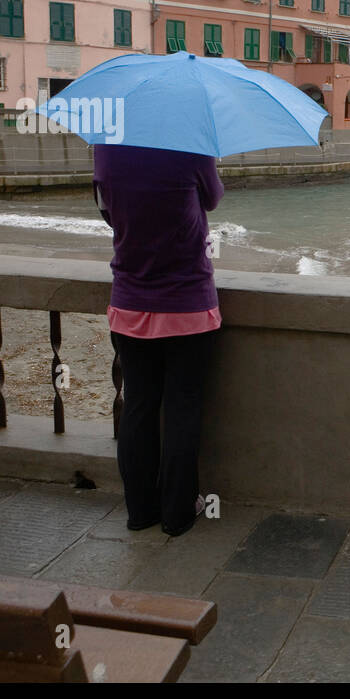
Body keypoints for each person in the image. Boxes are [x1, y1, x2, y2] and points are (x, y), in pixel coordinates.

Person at [93, 145, 223, 536]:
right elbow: (213, 198)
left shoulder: (106, 148)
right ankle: (179, 512)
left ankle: (140, 511)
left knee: (138, 405)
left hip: (130, 302)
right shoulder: (191, 145)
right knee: (182, 409)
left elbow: (106, 209)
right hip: (187, 304)